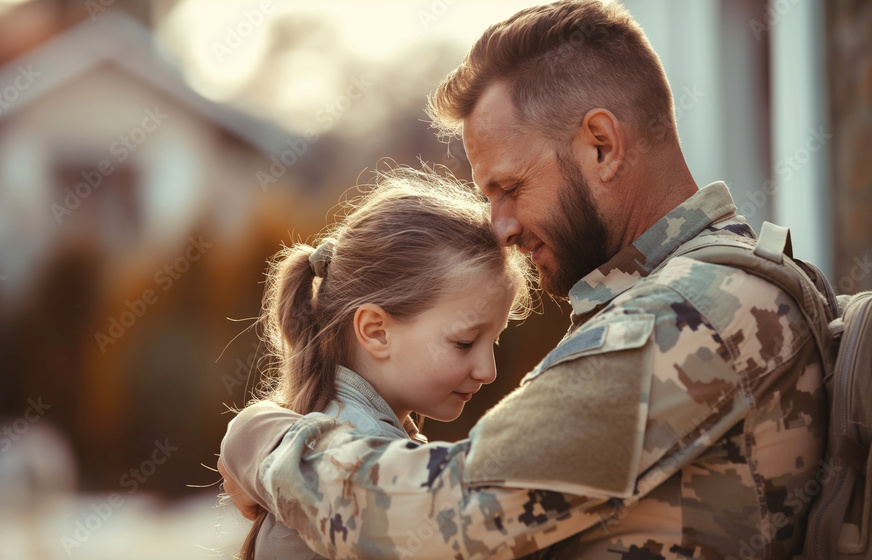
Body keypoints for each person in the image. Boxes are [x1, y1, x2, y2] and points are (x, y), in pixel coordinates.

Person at [218, 2, 829, 558]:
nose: (501, 228)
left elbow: (446, 513)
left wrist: (268, 445)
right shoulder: (719, 282)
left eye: (510, 188)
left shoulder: (681, 316)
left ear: (601, 145)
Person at [230, 168, 534, 559]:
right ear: (376, 332)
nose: (487, 370)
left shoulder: (330, 435)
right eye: (464, 342)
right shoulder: (356, 452)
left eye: (494, 340)